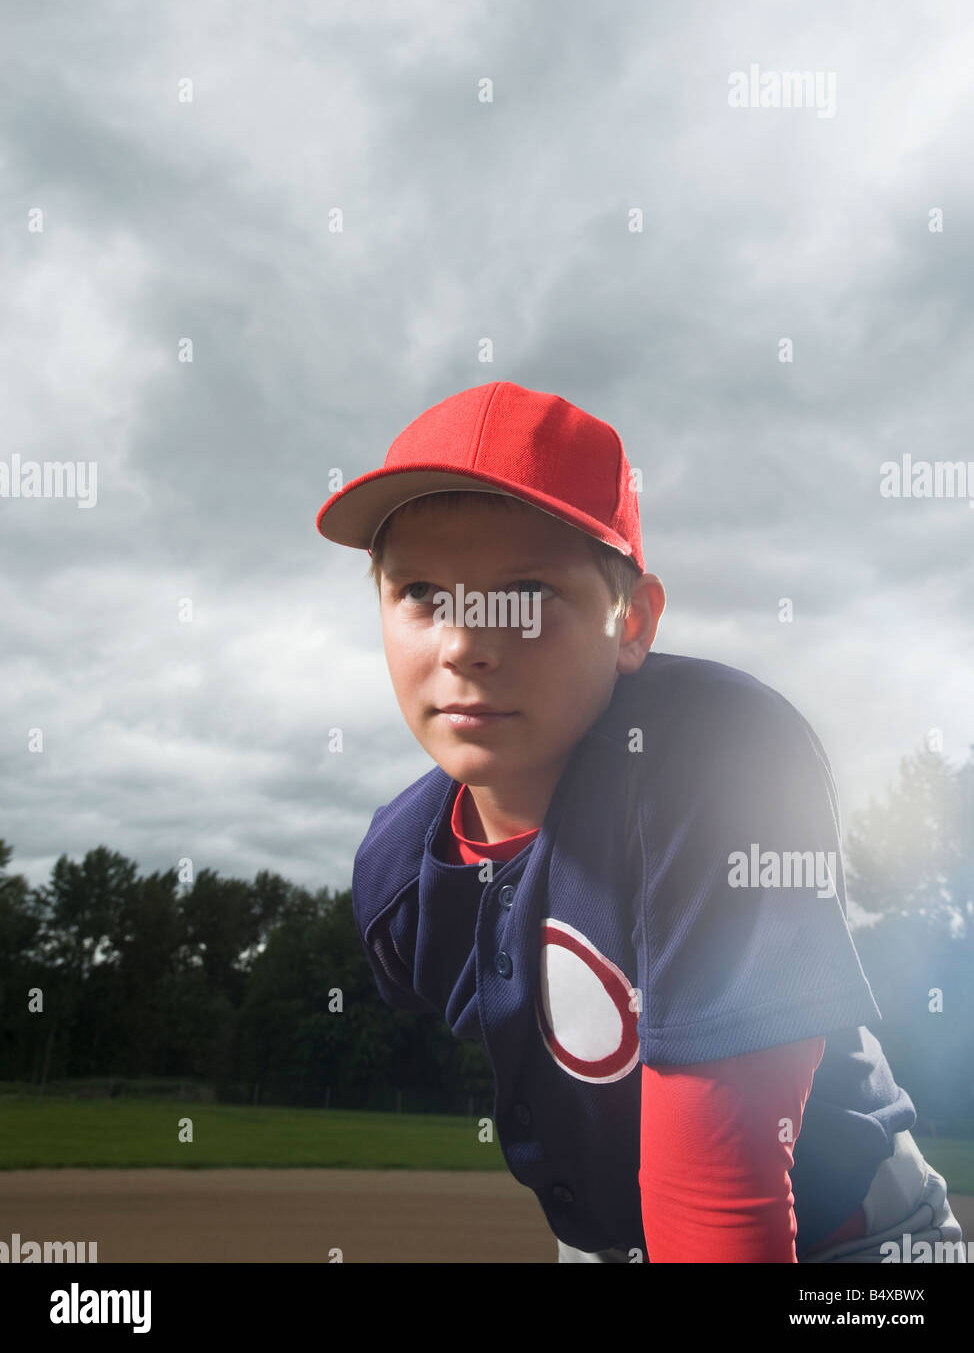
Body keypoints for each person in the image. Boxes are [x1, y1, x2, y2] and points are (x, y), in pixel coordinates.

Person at [316, 379, 964, 1263]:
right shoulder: (399, 877)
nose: (466, 640)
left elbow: (717, 1199)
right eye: (424, 592)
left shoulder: (719, 758)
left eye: (526, 592)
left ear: (634, 622)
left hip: (848, 1240)